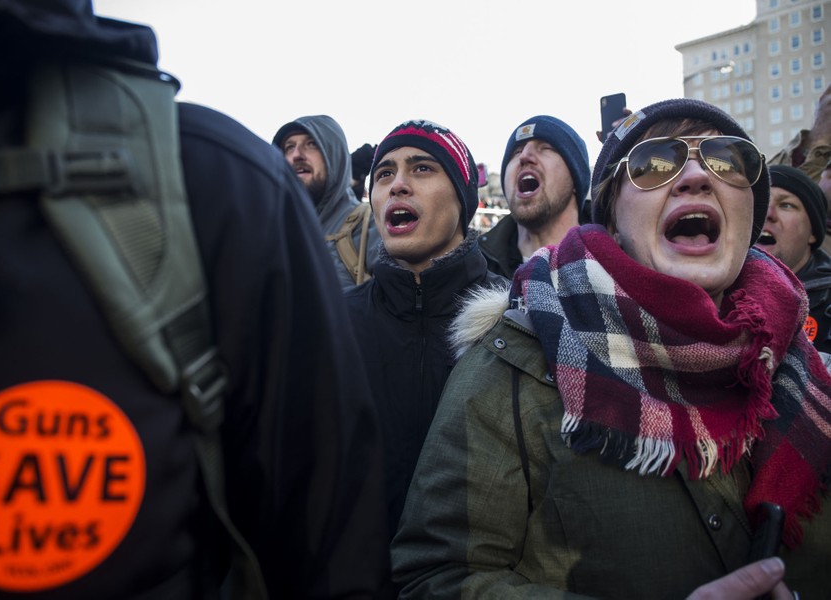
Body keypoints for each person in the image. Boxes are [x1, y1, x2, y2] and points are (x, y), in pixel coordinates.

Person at [0, 2, 389, 598]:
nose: (295, 155)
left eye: (310, 146)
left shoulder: (221, 186)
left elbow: (327, 539)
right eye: (288, 143)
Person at [392, 99, 831, 599]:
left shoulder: (806, 368)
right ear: (612, 214)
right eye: (653, 163)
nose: (695, 176)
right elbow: (437, 577)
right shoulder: (514, 359)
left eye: (728, 160)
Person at [344, 120, 508, 541]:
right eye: (384, 174)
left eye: (422, 169)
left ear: (463, 197)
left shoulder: (517, 320)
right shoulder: (333, 325)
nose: (397, 185)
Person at [272, 115, 382, 291]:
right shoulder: (270, 235)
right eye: (289, 147)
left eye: (311, 144)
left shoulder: (372, 225)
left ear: (335, 155)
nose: (297, 155)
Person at [478, 115, 591, 279]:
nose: (524, 156)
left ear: (576, 179)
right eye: (516, 152)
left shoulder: (616, 259)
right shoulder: (477, 269)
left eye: (546, 148)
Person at [757, 164, 831, 352]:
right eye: (761, 202)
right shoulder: (717, 292)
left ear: (813, 233)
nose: (768, 214)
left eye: (786, 205)